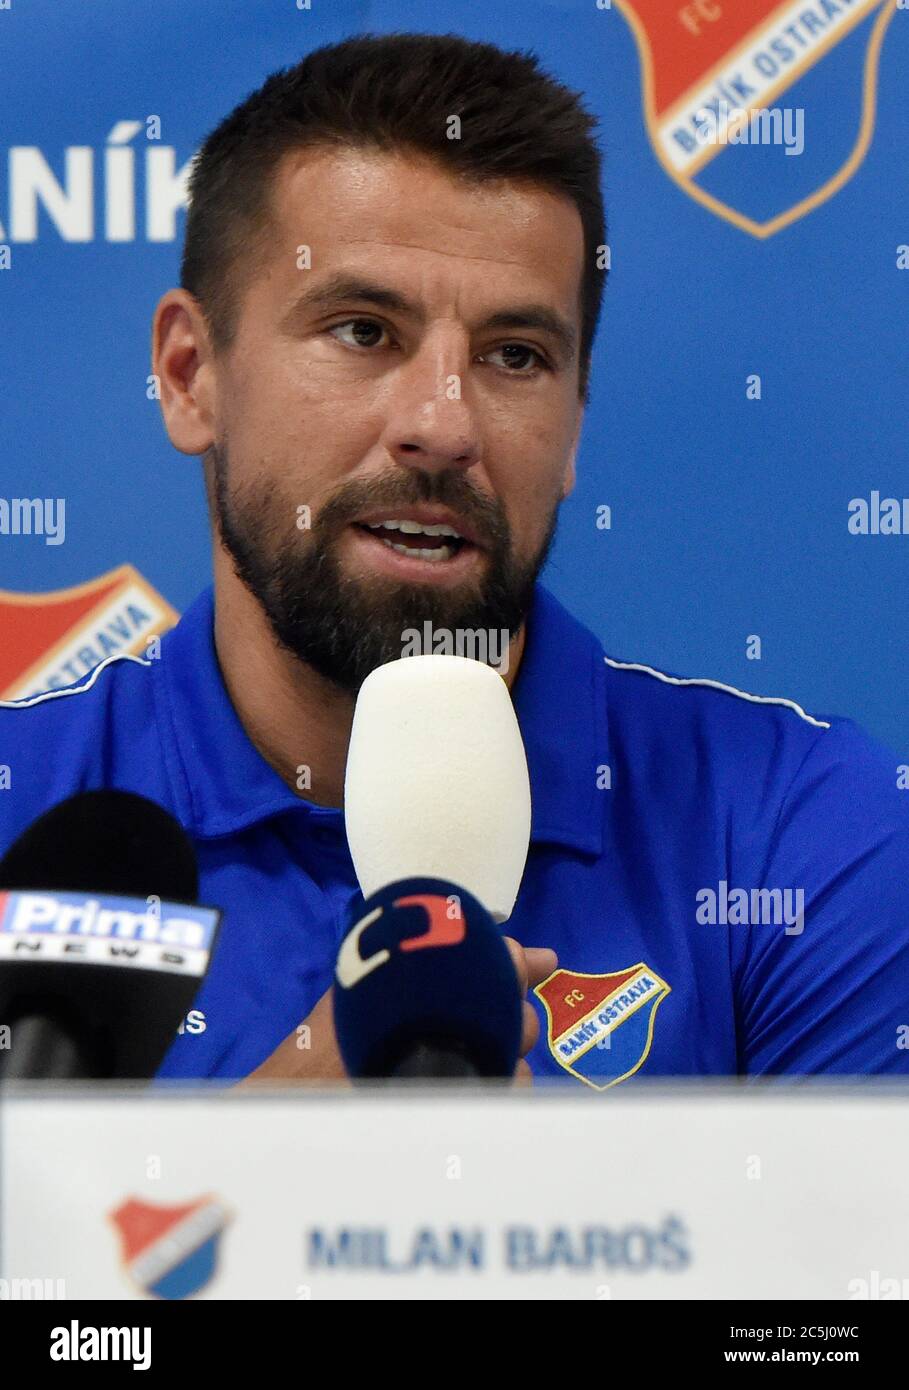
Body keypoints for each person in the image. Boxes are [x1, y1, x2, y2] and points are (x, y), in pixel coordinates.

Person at [2, 34, 907, 1088]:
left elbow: (857, 1254)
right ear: (191, 375)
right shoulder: (26, 815)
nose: (443, 424)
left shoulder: (796, 831)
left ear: (573, 427)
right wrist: (240, 1171)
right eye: (362, 330)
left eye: (515, 356)